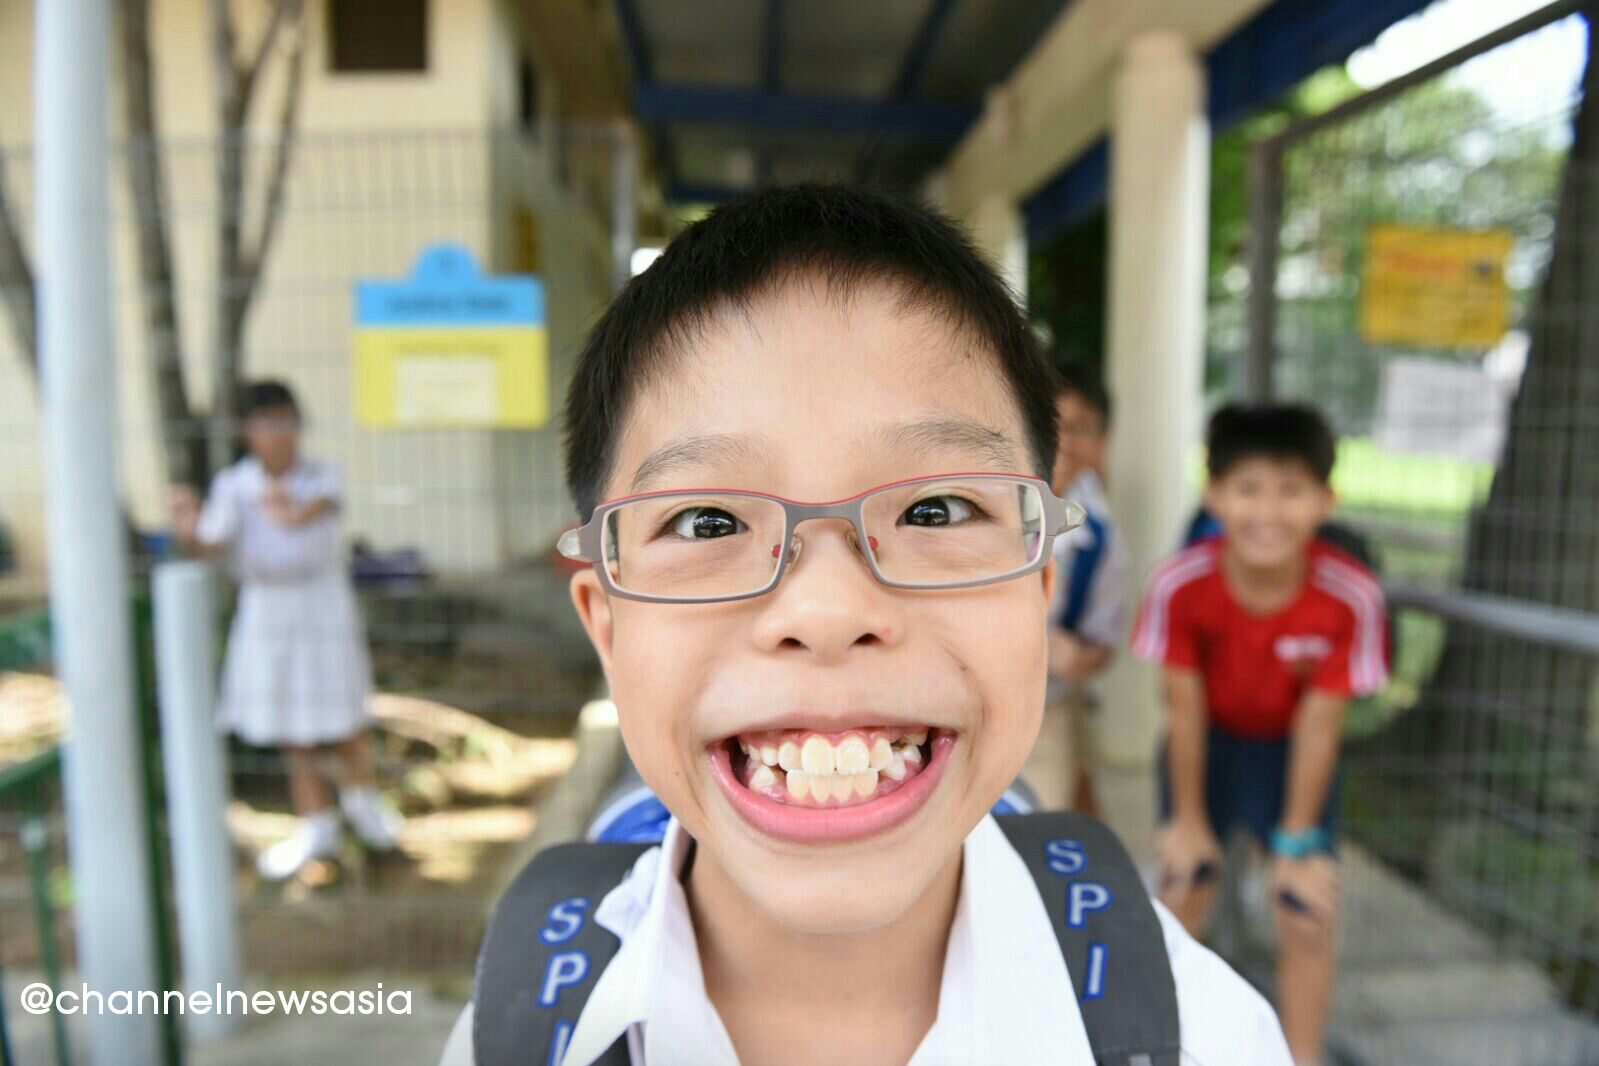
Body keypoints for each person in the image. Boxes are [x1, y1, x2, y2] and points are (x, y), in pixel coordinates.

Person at [440, 184, 1289, 1065]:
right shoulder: (523, 1035)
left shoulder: (1209, 1036)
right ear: (606, 628)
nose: (828, 610)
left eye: (934, 511)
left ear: (1038, 592)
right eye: (707, 523)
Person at [1131, 403, 1389, 1066]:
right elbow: (1182, 712)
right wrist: (1187, 819)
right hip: (1206, 750)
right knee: (1184, 886)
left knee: (1304, 911)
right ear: (1214, 494)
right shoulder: (1179, 583)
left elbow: (1320, 725)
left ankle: (1301, 1057)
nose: (1267, 512)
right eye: (1247, 489)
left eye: (1290, 491)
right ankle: (1162, 1049)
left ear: (1325, 501)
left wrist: (1297, 839)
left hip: (1291, 759)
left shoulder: (1350, 594)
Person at [172, 380, 402, 880]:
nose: (279, 435)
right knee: (293, 729)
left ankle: (365, 810)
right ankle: (317, 827)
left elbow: (312, 511)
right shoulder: (235, 485)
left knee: (344, 718)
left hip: (323, 609)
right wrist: (189, 526)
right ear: (246, 432)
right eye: (267, 424)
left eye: (287, 421)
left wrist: (285, 511)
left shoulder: (322, 476)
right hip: (268, 615)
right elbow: (209, 542)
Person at [1024, 359, 1128, 815]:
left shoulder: (1101, 538)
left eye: (1082, 427)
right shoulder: (977, 501)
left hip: (1051, 707)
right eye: (1053, 420)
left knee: (1039, 819)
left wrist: (1079, 660)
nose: (1065, 440)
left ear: (1102, 442)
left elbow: (1103, 642)